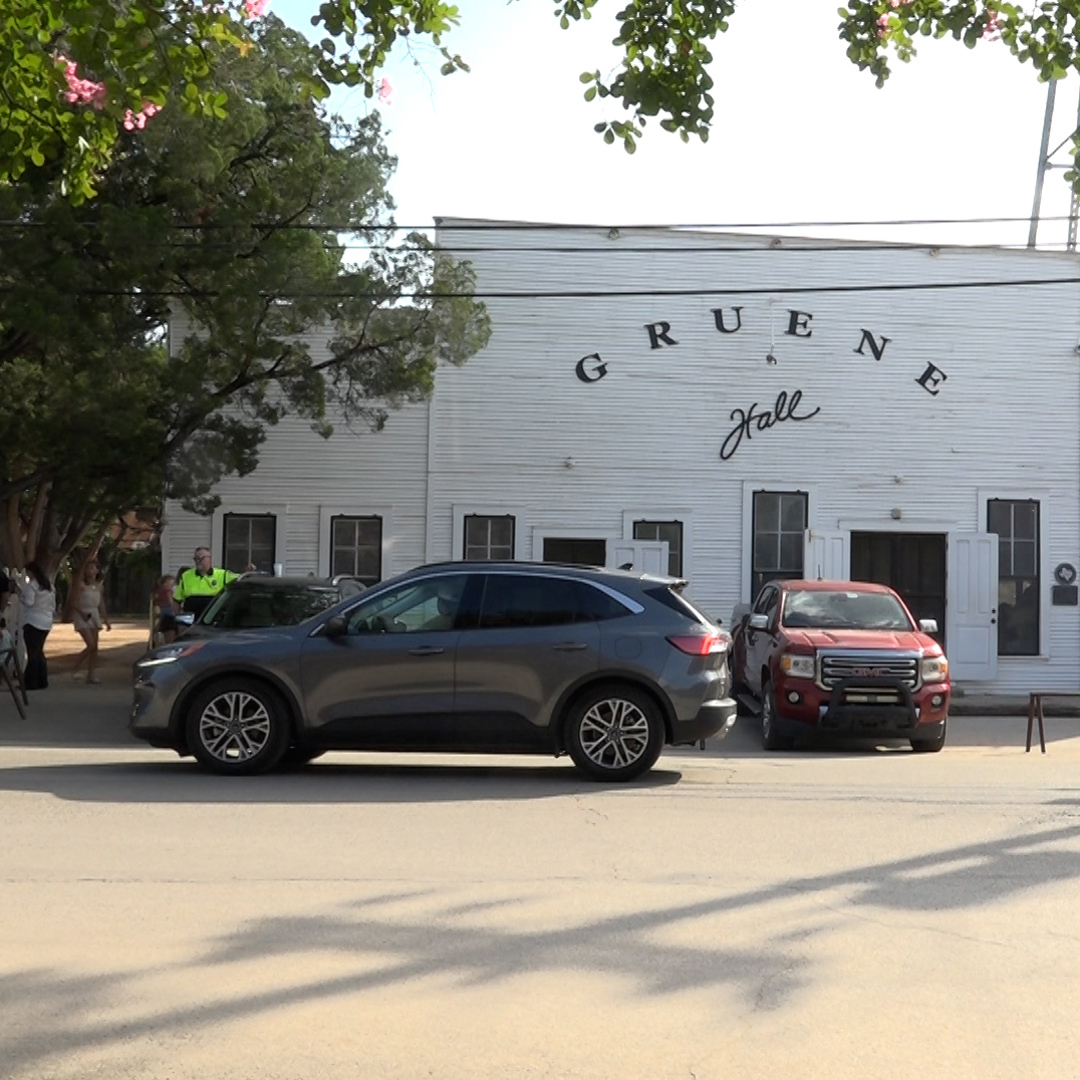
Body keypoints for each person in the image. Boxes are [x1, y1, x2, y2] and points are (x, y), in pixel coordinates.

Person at [172, 547, 248, 620]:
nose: (198, 561)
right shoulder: (186, 576)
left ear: (210, 559)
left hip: (213, 621)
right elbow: (177, 600)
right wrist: (178, 618)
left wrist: (246, 571)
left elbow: (242, 578)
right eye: (196, 559)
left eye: (201, 558)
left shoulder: (222, 575)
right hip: (191, 622)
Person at [70, 559, 112, 684]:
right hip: (83, 613)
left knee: (95, 648)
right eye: (89, 568)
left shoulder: (99, 586)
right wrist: (82, 613)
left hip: (94, 614)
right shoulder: (80, 585)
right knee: (90, 645)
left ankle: (91, 674)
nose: (91, 570)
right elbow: (74, 602)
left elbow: (101, 604)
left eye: (93, 568)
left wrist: (106, 620)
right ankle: (75, 668)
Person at [19, 561, 56, 691]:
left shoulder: (32, 586)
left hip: (33, 620)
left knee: (32, 652)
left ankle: (31, 681)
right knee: (39, 651)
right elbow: (53, 605)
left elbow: (29, 602)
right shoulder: (49, 586)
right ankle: (42, 679)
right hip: (46, 621)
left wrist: (21, 597)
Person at [153, 573, 178, 643]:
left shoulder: (158, 592)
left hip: (162, 614)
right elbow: (171, 603)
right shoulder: (168, 591)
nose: (172, 585)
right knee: (171, 633)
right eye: (171, 583)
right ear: (165, 583)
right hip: (168, 614)